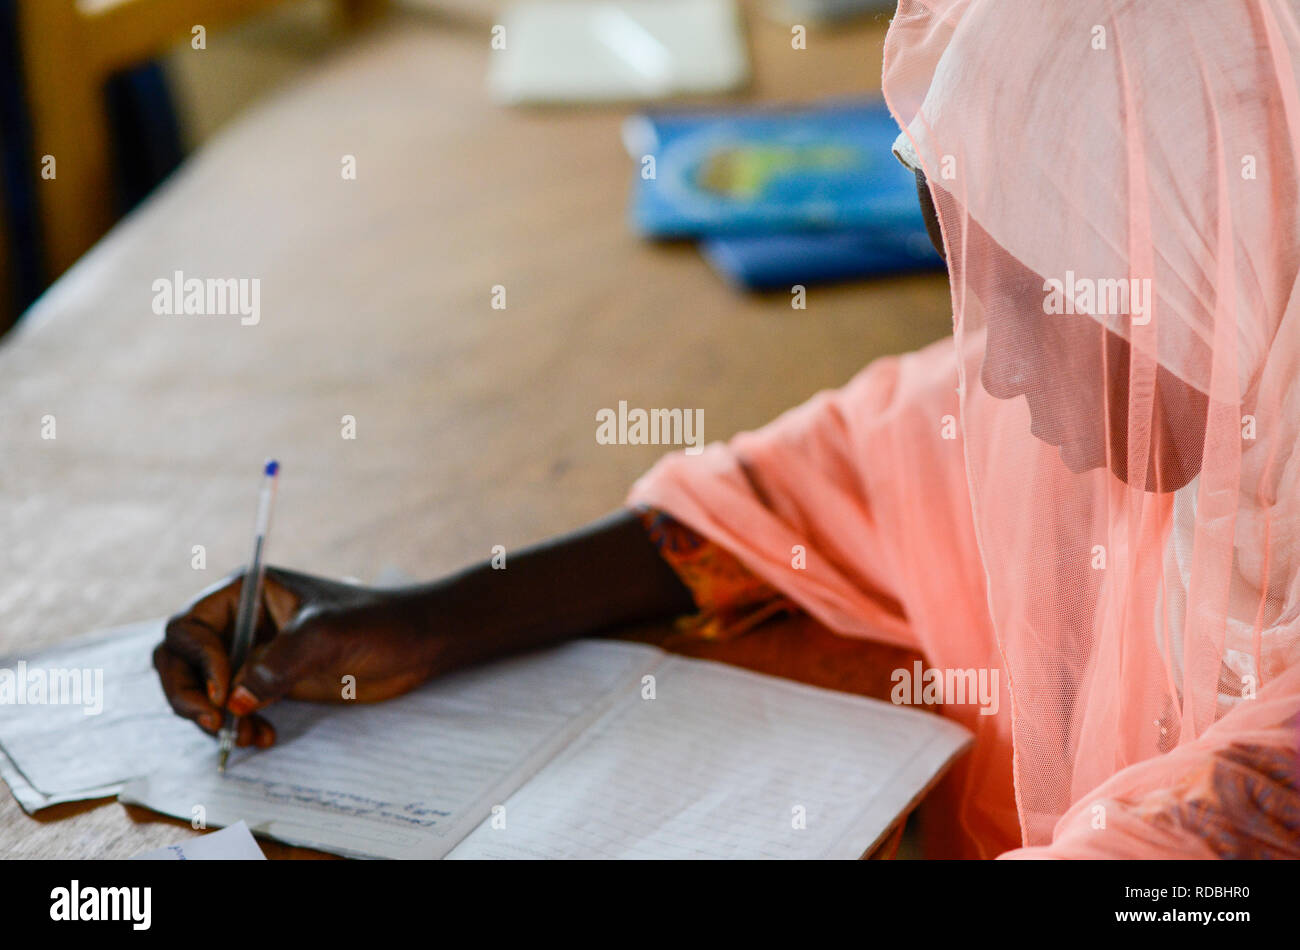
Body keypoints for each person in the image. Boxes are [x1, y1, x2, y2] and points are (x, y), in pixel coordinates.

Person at [154, 0, 1300, 858]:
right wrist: (437, 615)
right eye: (965, 291)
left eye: (1030, 303)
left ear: (1220, 263)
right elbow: (820, 479)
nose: (991, 368)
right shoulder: (1168, 380)